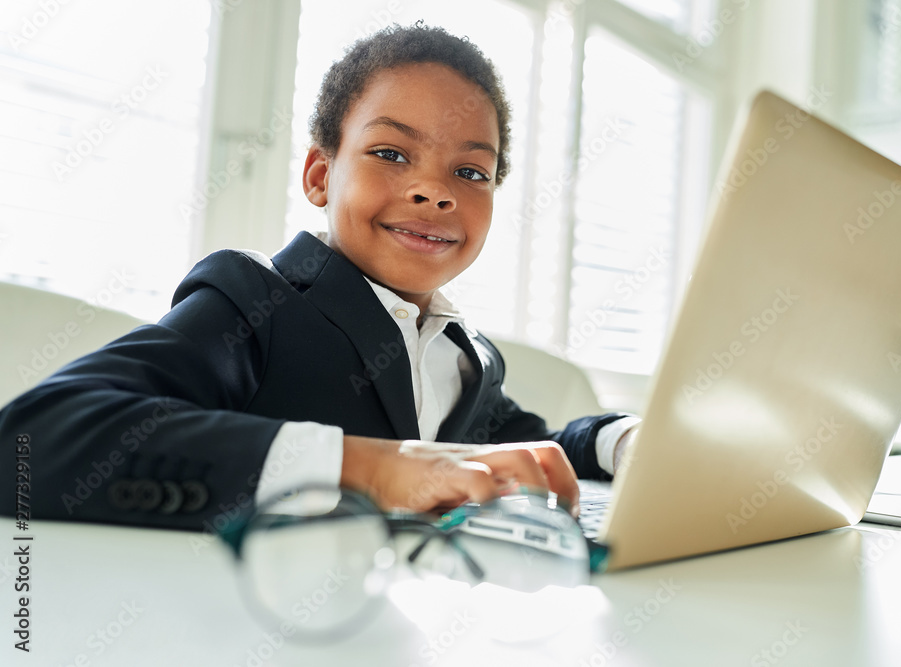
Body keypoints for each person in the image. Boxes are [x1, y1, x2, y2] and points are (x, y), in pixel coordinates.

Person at [0, 23, 640, 531]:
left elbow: (539, 447)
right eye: (391, 153)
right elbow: (32, 440)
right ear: (319, 176)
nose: (433, 191)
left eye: (470, 172)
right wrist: (366, 468)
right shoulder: (253, 303)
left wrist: (625, 441)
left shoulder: (467, 356)